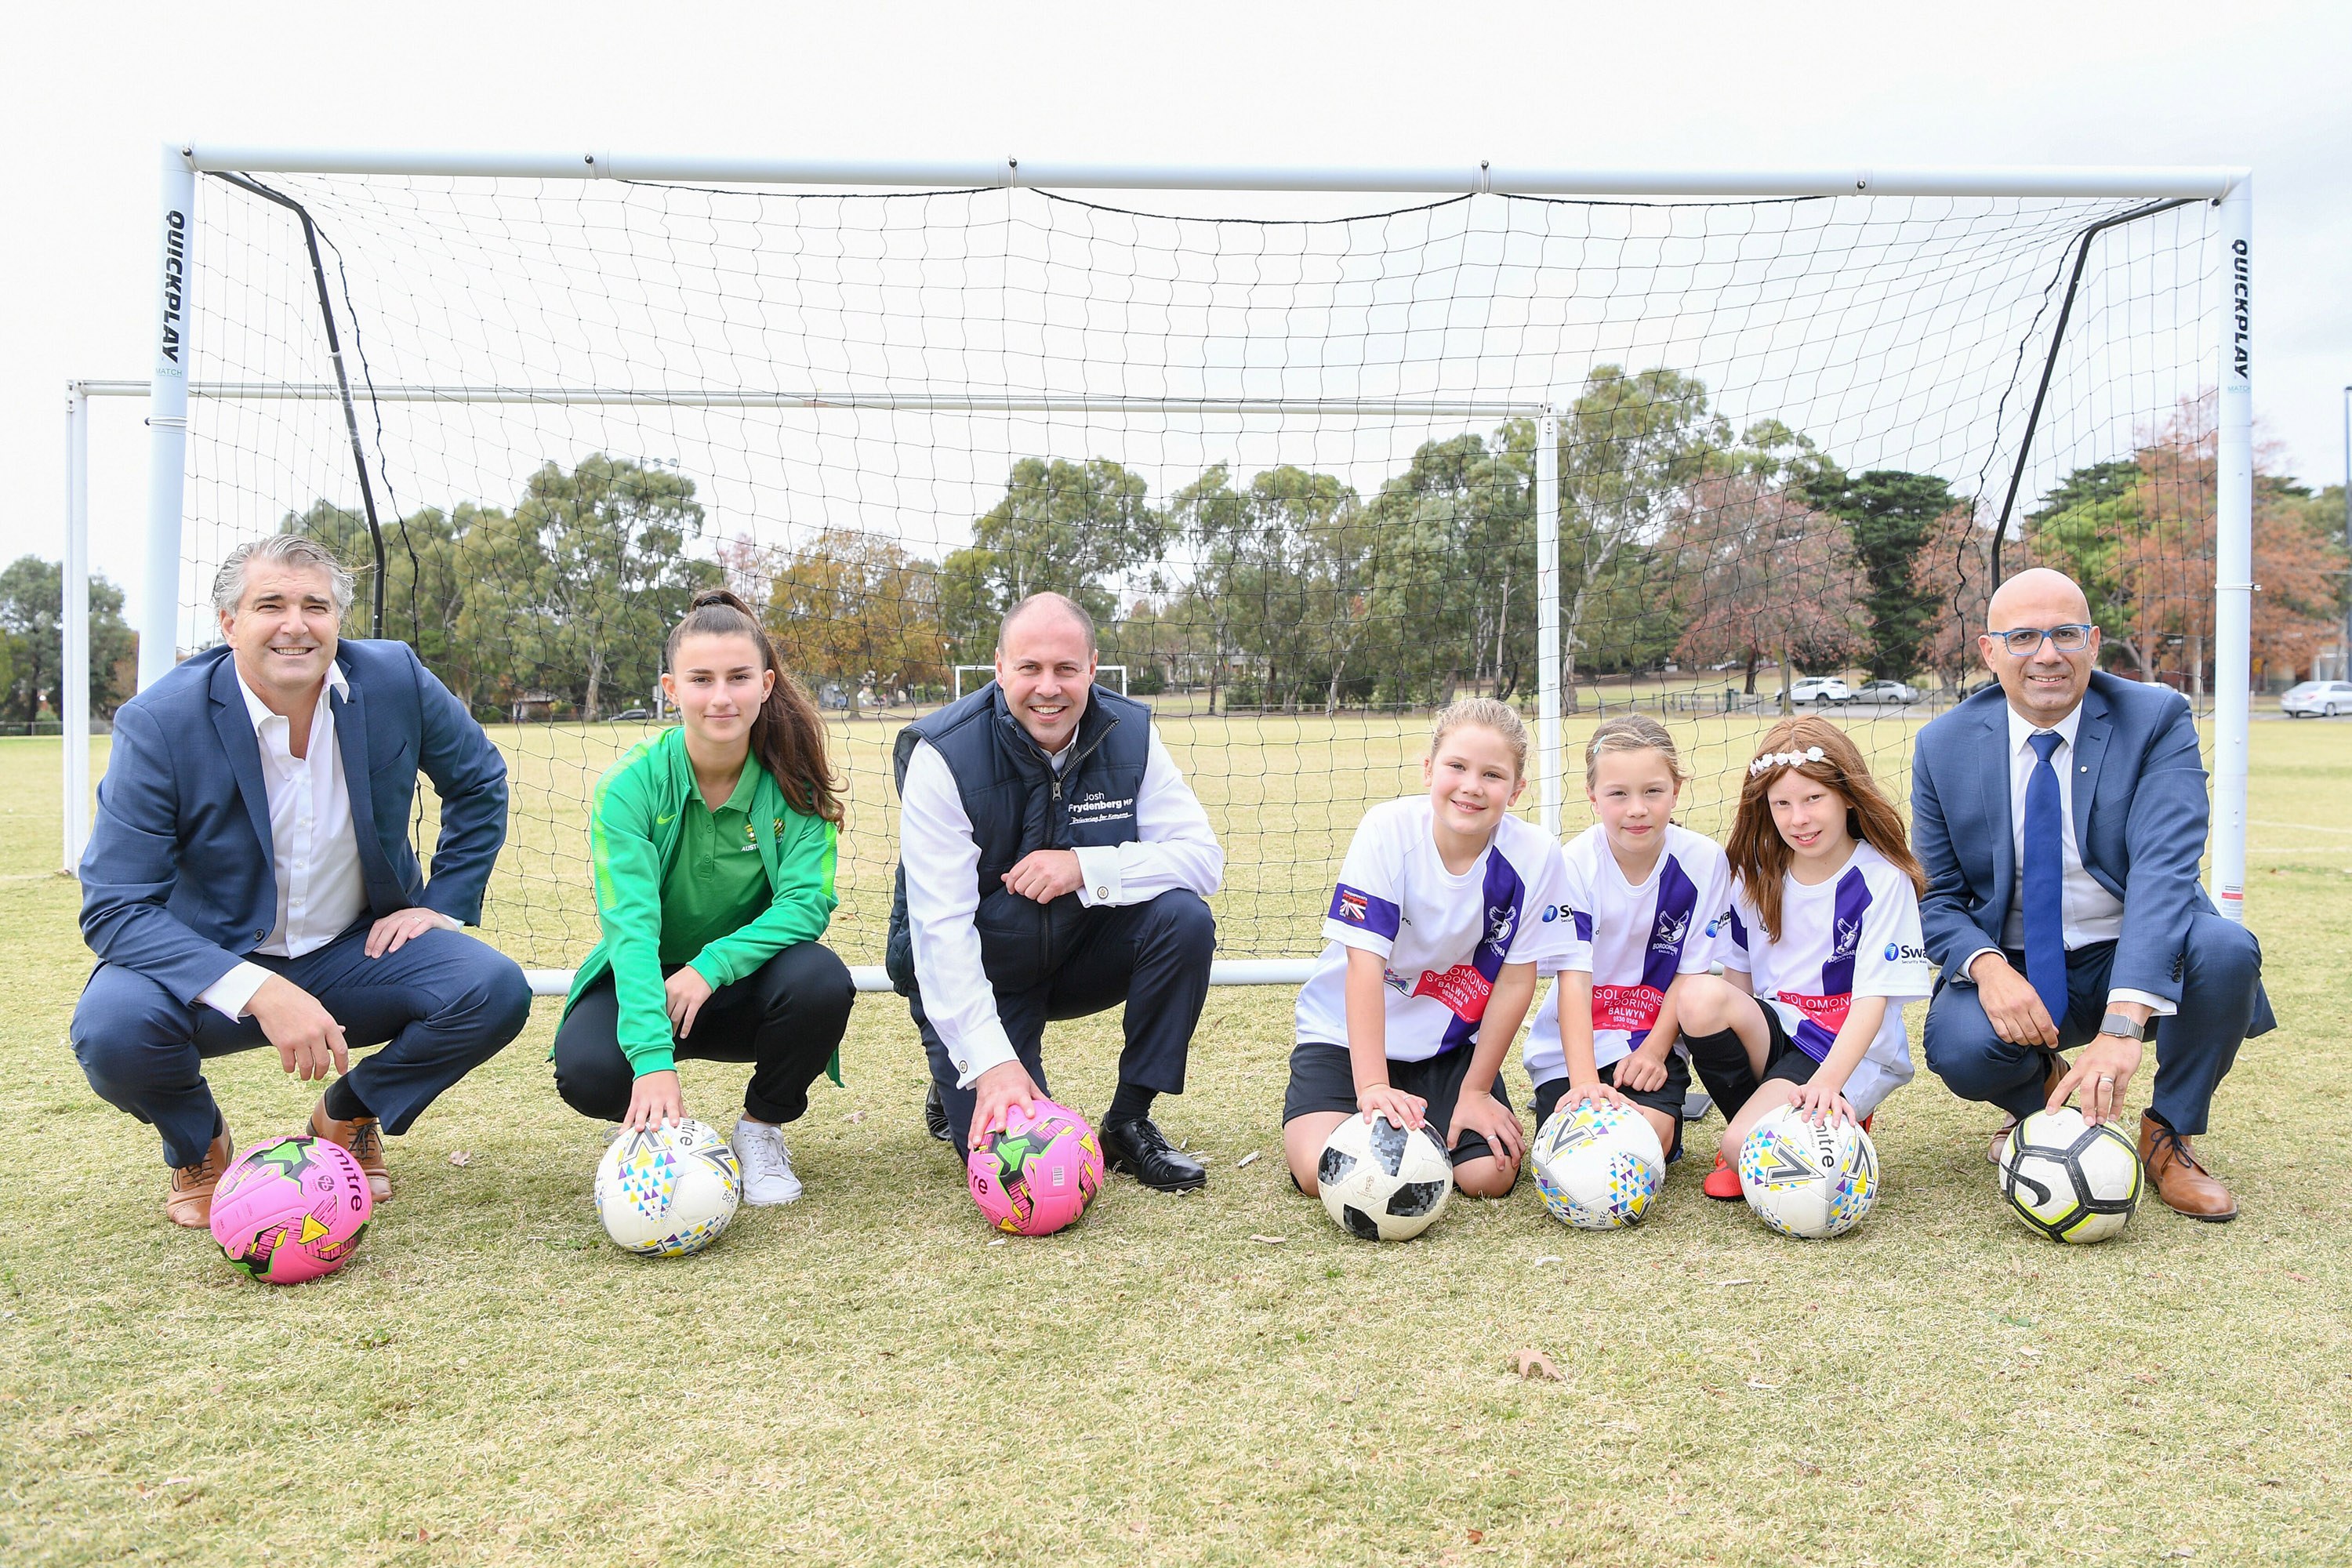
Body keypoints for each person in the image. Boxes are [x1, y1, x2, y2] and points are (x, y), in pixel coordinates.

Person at [72, 534, 532, 1228]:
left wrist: (444, 904)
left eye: (315, 605)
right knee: (112, 1032)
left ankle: (347, 1116)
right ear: (229, 624)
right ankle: (198, 1145)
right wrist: (258, 989)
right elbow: (114, 907)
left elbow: (478, 782)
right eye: (271, 605)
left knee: (492, 989)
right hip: (213, 961)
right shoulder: (160, 722)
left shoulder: (394, 678)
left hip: (355, 948)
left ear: (338, 620)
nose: (296, 624)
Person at [1912, 568, 2273, 1221]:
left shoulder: (2156, 717)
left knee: (2223, 947)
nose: (2047, 654)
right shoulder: (1943, 745)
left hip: (2130, 949)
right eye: (2022, 637)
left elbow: (2166, 875)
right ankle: (2045, 1099)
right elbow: (1937, 898)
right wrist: (1988, 968)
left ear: (2094, 642)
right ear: (1989, 651)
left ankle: (2168, 1133)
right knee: (1960, 1046)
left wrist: (2122, 1024)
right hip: (2021, 961)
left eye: (2065, 634)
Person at [886, 592, 1223, 1189]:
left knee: (1183, 919)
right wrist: (990, 1065)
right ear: (998, 668)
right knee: (1025, 1174)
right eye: (1030, 669)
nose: (1049, 687)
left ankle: (1128, 1121)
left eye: (1066, 669)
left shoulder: (1132, 734)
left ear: (1092, 669)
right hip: (986, 967)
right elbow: (940, 932)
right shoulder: (942, 755)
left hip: (1077, 951)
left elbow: (1203, 862)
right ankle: (957, 1075)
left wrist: (1083, 867)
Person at [551, 591, 856, 1205]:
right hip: (648, 981)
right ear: (671, 688)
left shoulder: (795, 785)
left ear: (766, 684)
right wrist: (651, 1060)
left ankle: (761, 1130)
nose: (722, 697)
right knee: (586, 1071)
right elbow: (630, 928)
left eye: (739, 677)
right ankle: (656, 1132)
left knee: (823, 981)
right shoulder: (629, 787)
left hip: (744, 981)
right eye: (701, 679)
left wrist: (709, 968)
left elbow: (805, 905)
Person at [1282, 699, 1573, 1201]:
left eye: (1493, 774)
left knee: (1490, 1178)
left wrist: (1477, 1091)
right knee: (1321, 1173)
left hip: (1447, 1049)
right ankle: (1385, 1115)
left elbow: (1515, 980)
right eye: (1456, 766)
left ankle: (1430, 1123)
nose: (1471, 786)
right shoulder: (1388, 830)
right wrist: (1372, 1086)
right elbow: (1364, 968)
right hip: (1346, 1040)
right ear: (1429, 769)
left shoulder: (1536, 854)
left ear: (1518, 789)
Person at [1675, 717, 1933, 1200]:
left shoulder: (1882, 879)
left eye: (1814, 798)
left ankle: (1797, 1123)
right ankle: (1754, 1122)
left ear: (1848, 796)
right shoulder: (1755, 874)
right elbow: (1738, 984)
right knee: (1699, 998)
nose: (1799, 818)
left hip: (1840, 1044)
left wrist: (1830, 1081)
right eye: (1782, 804)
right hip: (1779, 1031)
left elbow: (1873, 1000)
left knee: (1742, 1150)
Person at [1523, 715, 1731, 1166]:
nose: (1637, 808)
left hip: (1648, 1042)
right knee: (1581, 1155)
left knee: (1646, 1142)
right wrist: (1583, 1085)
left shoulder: (1705, 861)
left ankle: (1662, 1119)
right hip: (1571, 1050)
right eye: (1618, 793)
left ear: (1677, 790)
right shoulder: (1573, 864)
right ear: (1593, 796)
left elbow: (1690, 975)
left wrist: (1655, 1051)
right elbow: (1573, 981)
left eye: (1653, 791)